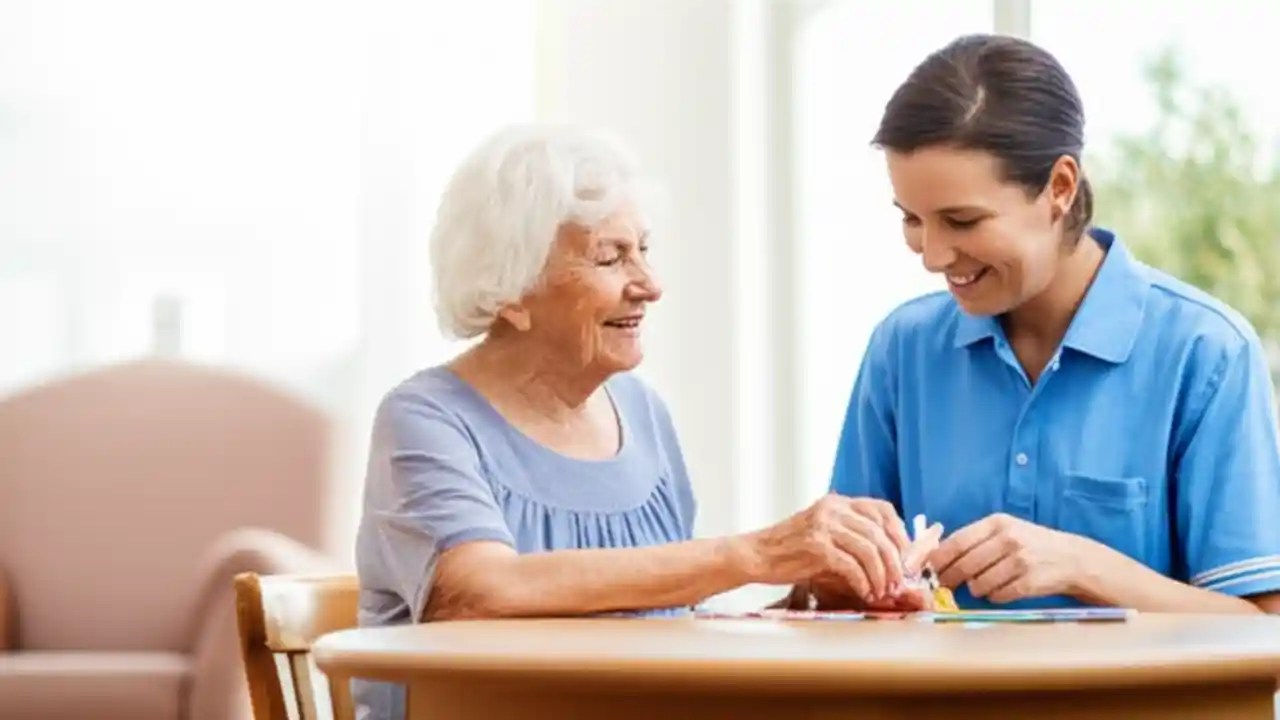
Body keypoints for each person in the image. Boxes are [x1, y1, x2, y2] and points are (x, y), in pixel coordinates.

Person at [352, 124, 914, 720]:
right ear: (511, 291)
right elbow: (479, 593)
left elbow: (663, 628)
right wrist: (757, 553)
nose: (650, 285)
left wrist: (809, 598)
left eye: (643, 250)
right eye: (610, 257)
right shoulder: (426, 419)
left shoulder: (642, 414)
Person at [810, 33, 1280, 615]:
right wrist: (840, 578)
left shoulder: (1205, 354)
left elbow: (1263, 629)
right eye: (912, 219)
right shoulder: (902, 349)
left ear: (1059, 187)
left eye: (962, 220)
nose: (931, 255)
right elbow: (838, 594)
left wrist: (1081, 566)